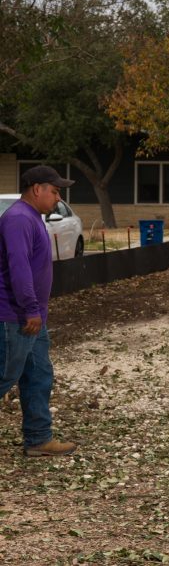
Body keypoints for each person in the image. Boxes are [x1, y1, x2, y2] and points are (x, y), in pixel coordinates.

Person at [0, 165, 77, 457]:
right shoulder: (19, 219)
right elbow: (18, 268)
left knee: (38, 376)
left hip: (33, 319)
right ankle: (37, 437)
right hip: (14, 317)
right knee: (4, 377)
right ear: (37, 189)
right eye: (55, 191)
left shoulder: (31, 218)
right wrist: (31, 308)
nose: (58, 198)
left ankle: (38, 438)